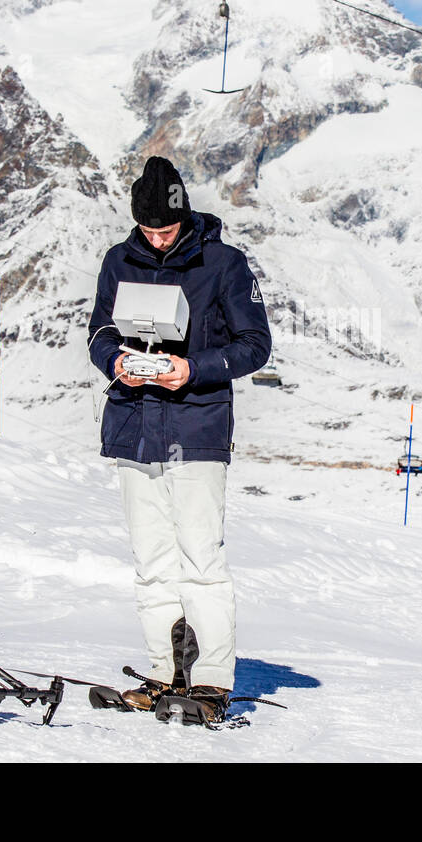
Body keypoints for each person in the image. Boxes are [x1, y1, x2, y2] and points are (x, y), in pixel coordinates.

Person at [87, 156, 271, 722]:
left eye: (166, 229)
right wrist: (114, 360)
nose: (158, 238)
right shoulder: (118, 262)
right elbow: (97, 333)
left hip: (197, 428)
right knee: (152, 560)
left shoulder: (225, 264)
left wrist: (194, 369)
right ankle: (163, 673)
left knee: (200, 559)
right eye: (148, 229)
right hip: (135, 426)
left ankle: (211, 681)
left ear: (183, 215)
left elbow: (255, 344)